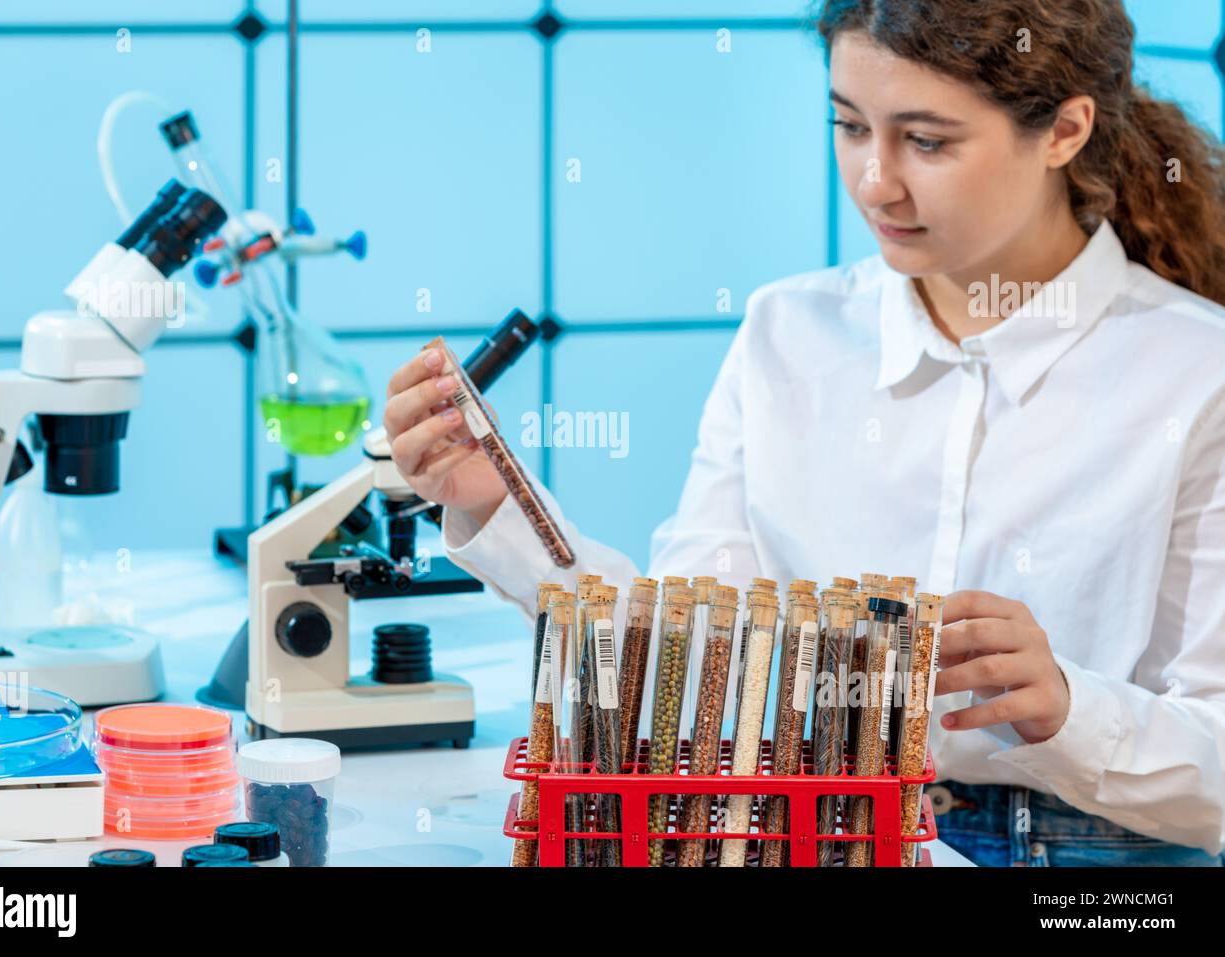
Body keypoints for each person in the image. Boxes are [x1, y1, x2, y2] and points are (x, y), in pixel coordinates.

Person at [382, 0, 1225, 866]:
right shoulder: (787, 333)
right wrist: (497, 504)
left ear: (1064, 131)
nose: (875, 182)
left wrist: (1070, 709)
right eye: (850, 126)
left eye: (926, 141)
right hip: (820, 830)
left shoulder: (1200, 375)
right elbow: (684, 656)